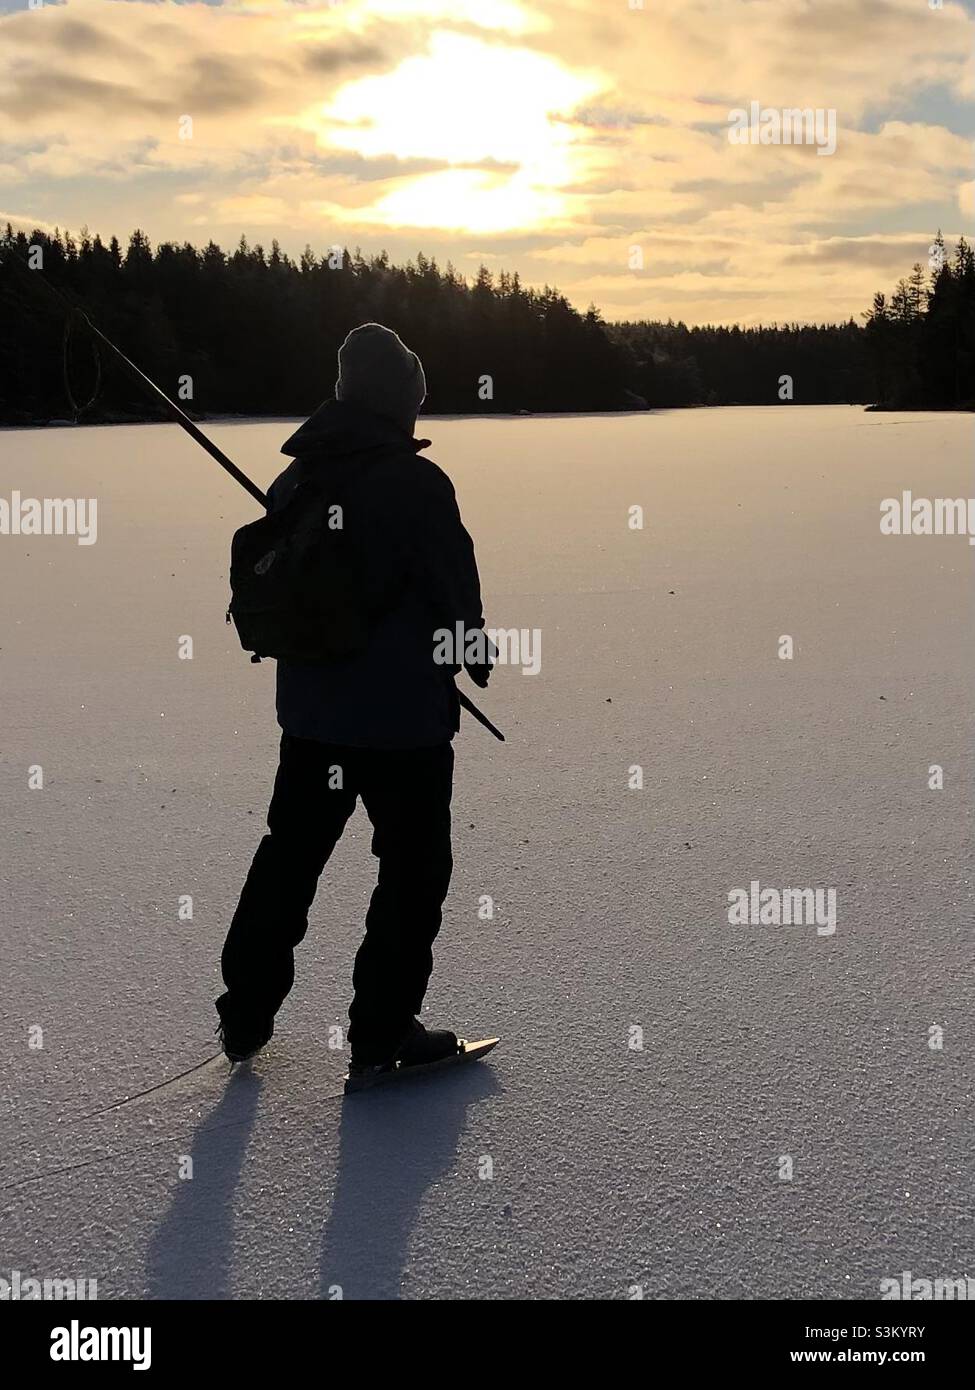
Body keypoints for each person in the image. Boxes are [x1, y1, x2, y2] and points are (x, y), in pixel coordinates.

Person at [215, 323, 491, 1082]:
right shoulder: (416, 484)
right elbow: (452, 589)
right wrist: (471, 657)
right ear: (401, 399)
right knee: (410, 873)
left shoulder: (297, 479)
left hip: (312, 719)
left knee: (289, 858)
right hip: (401, 726)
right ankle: (381, 1036)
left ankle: (244, 1014)